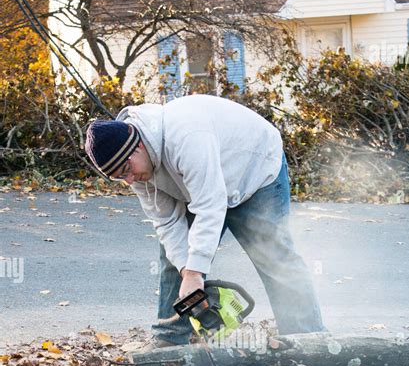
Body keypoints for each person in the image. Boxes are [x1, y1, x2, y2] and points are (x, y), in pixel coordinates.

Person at [85, 94, 325, 348]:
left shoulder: (186, 136)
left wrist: (196, 272)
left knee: (275, 257)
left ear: (138, 146)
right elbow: (166, 223)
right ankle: (169, 341)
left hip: (256, 170)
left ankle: (308, 341)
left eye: (126, 170)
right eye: (118, 177)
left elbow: (210, 205)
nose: (129, 181)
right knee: (173, 260)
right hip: (204, 187)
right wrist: (186, 272)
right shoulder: (136, 170)